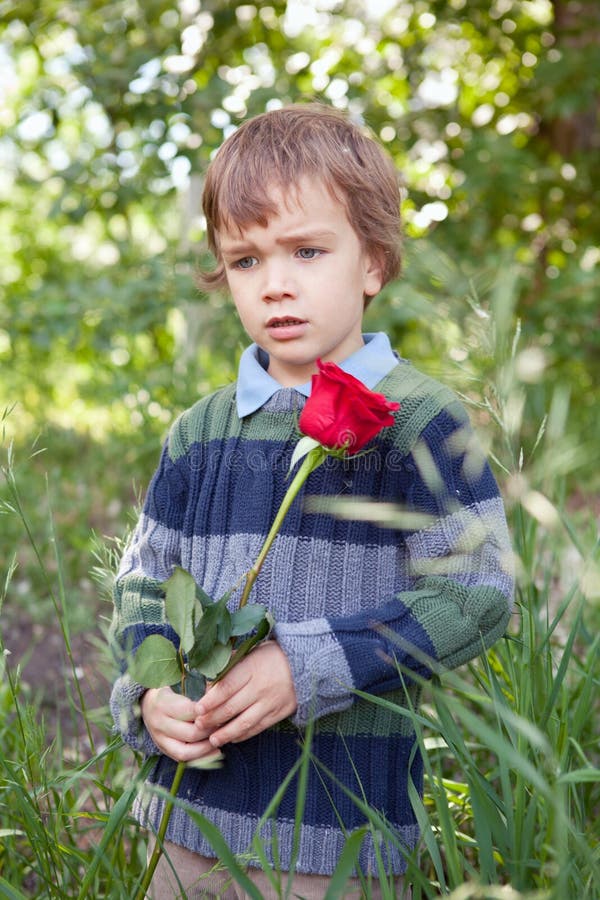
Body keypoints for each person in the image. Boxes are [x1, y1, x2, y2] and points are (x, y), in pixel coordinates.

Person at [109, 103, 514, 898]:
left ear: (372, 262)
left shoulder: (418, 421)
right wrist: (147, 693)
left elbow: (477, 591)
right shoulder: (201, 433)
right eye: (246, 261)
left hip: (337, 836)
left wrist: (307, 664)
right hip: (187, 823)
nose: (277, 285)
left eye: (306, 250)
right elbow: (143, 580)